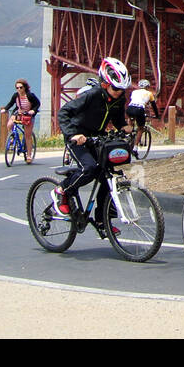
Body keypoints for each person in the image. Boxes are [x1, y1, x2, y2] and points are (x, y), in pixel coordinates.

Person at [52, 57, 132, 237]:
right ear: (105, 84)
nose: (119, 93)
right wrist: (73, 134)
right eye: (115, 88)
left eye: (122, 89)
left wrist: (123, 127)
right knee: (89, 168)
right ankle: (62, 190)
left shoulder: (119, 99)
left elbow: (118, 119)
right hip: (77, 136)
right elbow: (64, 112)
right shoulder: (92, 95)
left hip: (97, 137)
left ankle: (102, 220)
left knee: (108, 176)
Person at [4, 79, 41, 164]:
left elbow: (37, 104)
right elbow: (11, 103)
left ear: (25, 87)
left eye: (21, 87)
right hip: (19, 113)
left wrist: (33, 111)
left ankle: (28, 155)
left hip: (28, 115)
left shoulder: (30, 95)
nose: (19, 89)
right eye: (17, 88)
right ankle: (12, 137)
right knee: (9, 124)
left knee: (27, 135)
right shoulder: (15, 95)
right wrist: (5, 109)